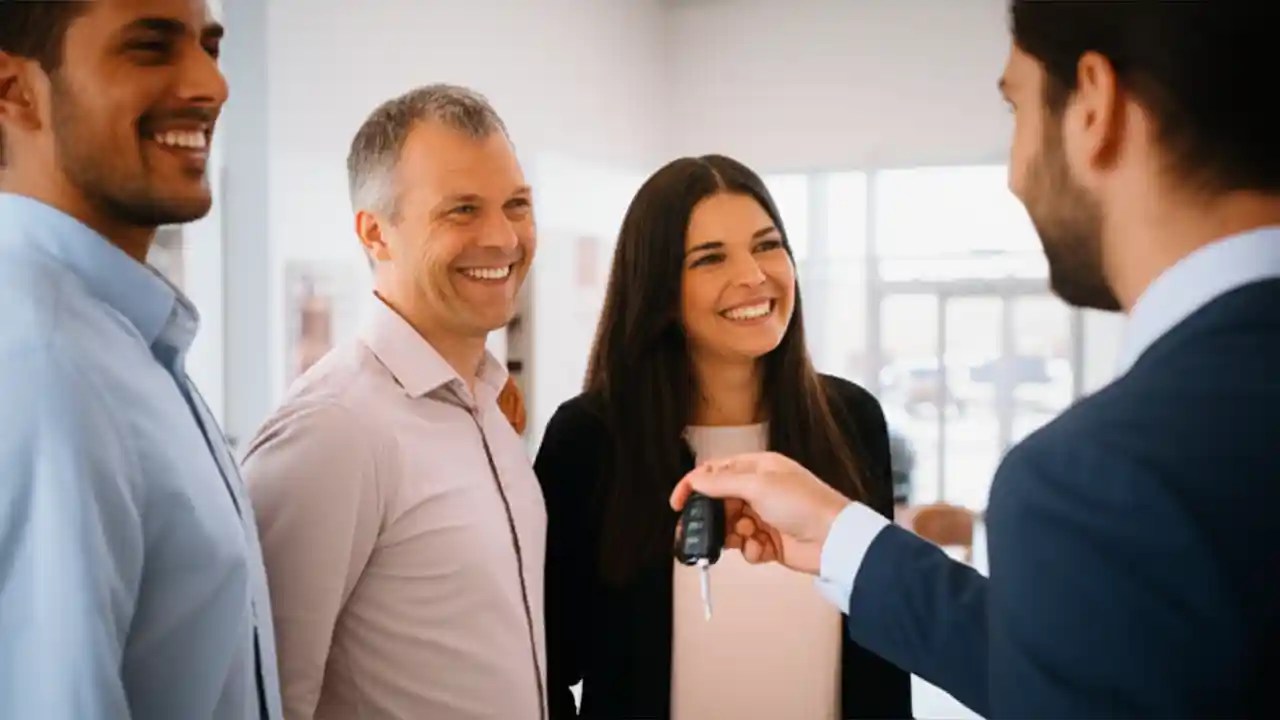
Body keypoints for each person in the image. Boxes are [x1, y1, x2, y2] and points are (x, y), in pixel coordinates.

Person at [672, 2, 1280, 718]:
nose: (1015, 175)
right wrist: (846, 537)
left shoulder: (1098, 483)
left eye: (1016, 108)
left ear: (1095, 104)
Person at [534, 155, 911, 720]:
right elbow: (546, 668)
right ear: (658, 287)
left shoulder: (851, 419)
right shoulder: (590, 439)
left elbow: (883, 650)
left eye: (766, 245)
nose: (754, 276)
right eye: (710, 258)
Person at [0, 2, 283, 719]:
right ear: (14, 93)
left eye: (211, 47)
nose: (211, 84)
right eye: (150, 47)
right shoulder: (42, 358)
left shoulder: (118, 339)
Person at [242, 84, 546, 720]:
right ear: (375, 233)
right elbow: (265, 701)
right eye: (462, 210)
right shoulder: (332, 430)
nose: (503, 237)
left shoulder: (487, 404)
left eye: (516, 205)